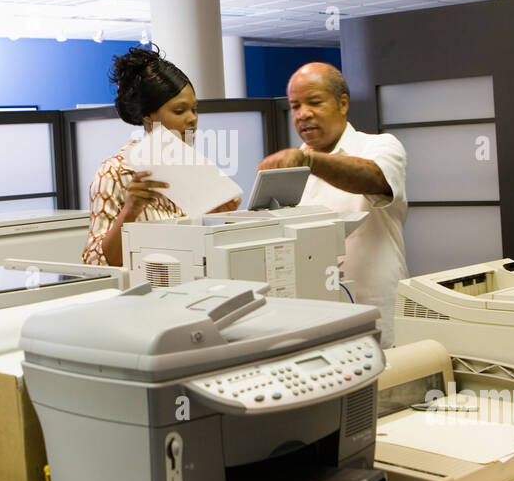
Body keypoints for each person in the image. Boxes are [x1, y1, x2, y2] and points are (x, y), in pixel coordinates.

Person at [258, 62, 408, 345]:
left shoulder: (380, 146)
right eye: (295, 106)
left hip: (376, 311)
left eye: (314, 102)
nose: (303, 114)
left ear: (342, 103)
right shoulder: (287, 166)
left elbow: (374, 178)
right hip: (311, 320)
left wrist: (309, 161)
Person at [83, 47, 240, 267]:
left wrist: (212, 216)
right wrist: (130, 211)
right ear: (148, 114)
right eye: (179, 111)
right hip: (143, 295)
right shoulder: (115, 173)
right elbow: (95, 262)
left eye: (194, 109)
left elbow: (188, 247)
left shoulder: (192, 169)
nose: (192, 119)